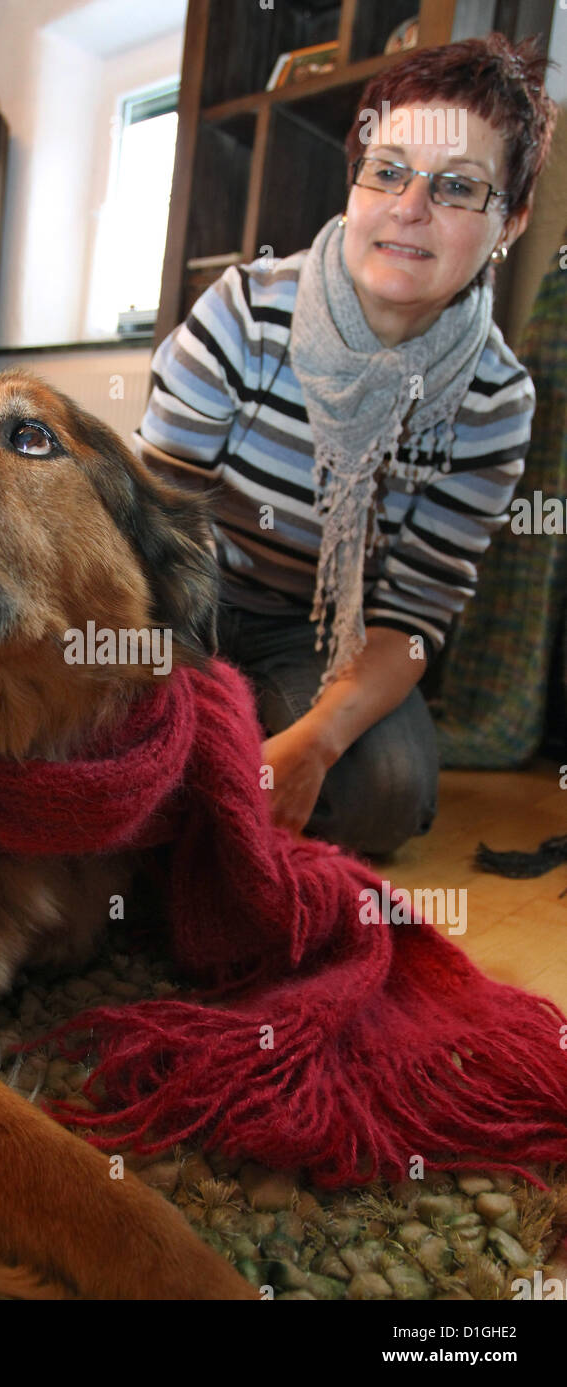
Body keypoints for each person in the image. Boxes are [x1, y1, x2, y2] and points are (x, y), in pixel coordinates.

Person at [133, 33, 558, 857]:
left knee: (384, 795)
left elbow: (416, 611)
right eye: (388, 170)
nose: (410, 208)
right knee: (99, 719)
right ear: (356, 180)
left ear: (513, 221)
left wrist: (317, 743)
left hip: (329, 633)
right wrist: (178, 681)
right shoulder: (244, 314)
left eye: (459, 187)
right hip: (187, 596)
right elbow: (150, 531)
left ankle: (248, 745)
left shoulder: (496, 400)